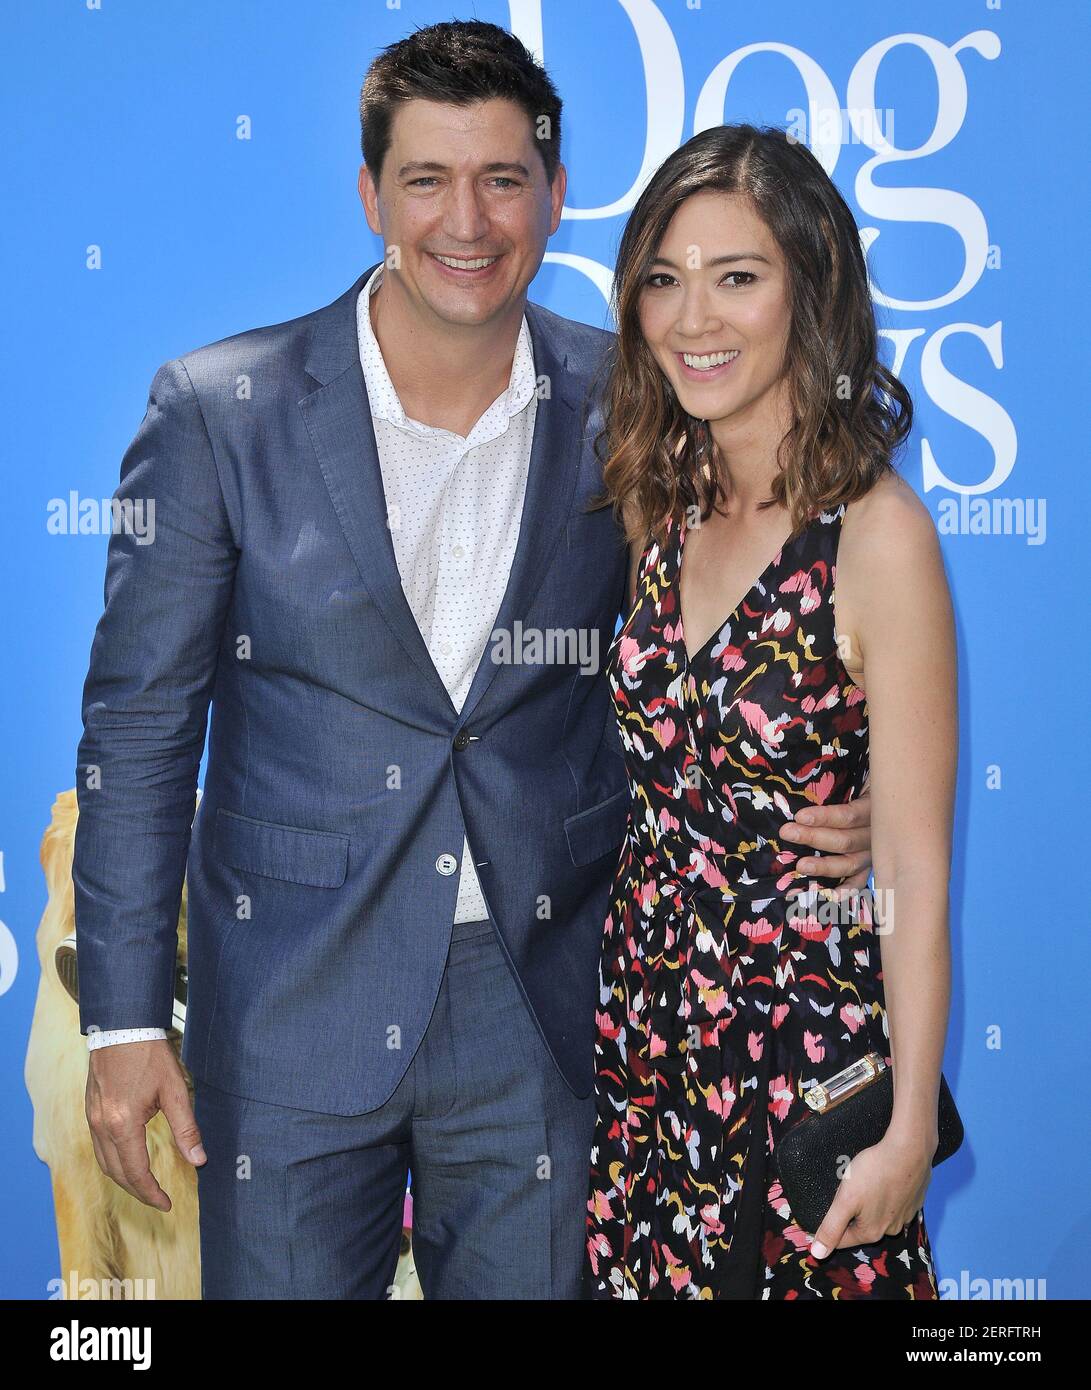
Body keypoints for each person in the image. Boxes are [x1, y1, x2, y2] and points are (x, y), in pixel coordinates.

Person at [73, 24, 875, 1301]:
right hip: (288, 1003)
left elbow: (763, 602)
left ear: (554, 196)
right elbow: (138, 728)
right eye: (427, 179)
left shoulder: (636, 404)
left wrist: (847, 777)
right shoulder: (219, 411)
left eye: (503, 178)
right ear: (369, 195)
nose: (468, 218)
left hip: (545, 999)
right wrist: (122, 1021)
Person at [586, 123, 956, 1300]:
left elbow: (906, 863)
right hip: (646, 1041)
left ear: (810, 287)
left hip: (796, 1051)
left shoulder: (877, 536)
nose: (692, 318)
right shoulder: (661, 495)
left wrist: (903, 1126)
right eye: (662, 279)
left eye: (735, 277)